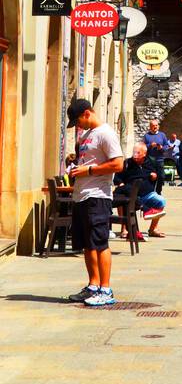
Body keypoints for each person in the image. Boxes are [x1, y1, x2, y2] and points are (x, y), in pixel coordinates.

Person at [66, 100, 123, 307]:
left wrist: (88, 171)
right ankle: (93, 285)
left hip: (97, 195)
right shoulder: (87, 135)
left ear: (87, 113)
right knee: (87, 244)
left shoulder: (105, 133)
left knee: (99, 243)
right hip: (81, 194)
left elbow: (118, 164)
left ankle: (106, 289)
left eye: (78, 120)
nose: (78, 126)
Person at [113, 142, 167, 238]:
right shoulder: (127, 163)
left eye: (138, 153)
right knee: (121, 199)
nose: (135, 155)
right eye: (134, 152)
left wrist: (154, 176)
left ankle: (153, 229)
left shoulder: (150, 162)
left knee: (161, 201)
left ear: (144, 154)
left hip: (147, 194)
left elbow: (157, 175)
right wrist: (120, 183)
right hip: (131, 194)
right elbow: (117, 178)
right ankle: (124, 228)